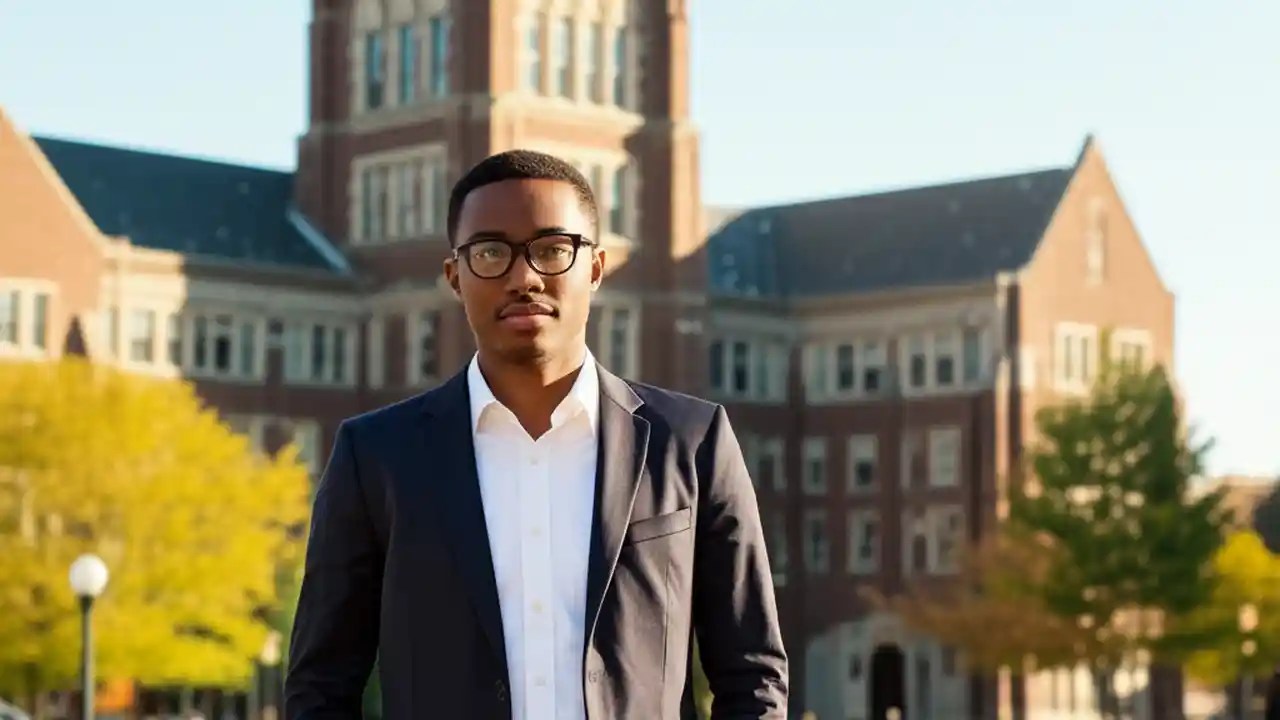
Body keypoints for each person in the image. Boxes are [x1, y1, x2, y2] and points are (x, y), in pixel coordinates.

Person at [284, 149, 788, 719]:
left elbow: (753, 673)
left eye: (553, 250)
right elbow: (320, 685)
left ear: (595, 268)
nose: (525, 278)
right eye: (492, 252)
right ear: (455, 275)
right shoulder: (376, 456)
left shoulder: (691, 443)